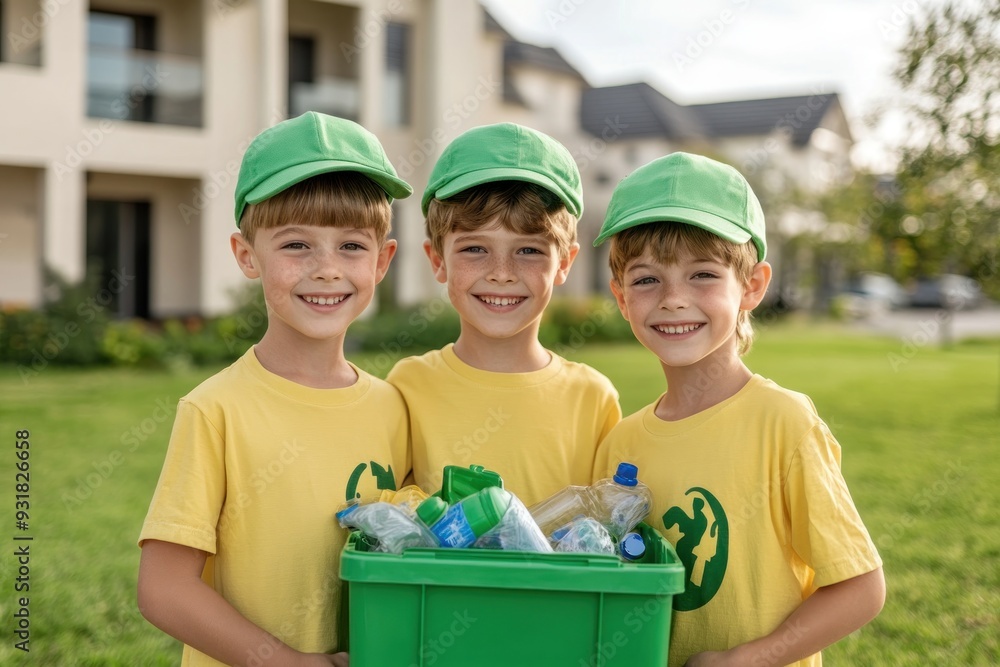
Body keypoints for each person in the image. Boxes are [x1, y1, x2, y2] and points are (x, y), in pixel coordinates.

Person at [136, 112, 413, 667]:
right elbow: (163, 588)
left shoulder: (393, 406)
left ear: (383, 261)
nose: (327, 269)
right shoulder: (216, 409)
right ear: (246, 255)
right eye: (296, 245)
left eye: (352, 247)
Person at [591, 152, 885, 667]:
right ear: (620, 296)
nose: (673, 299)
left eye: (702, 274)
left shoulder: (783, 423)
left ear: (751, 286)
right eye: (645, 279)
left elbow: (860, 588)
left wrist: (747, 659)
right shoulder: (621, 443)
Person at [387, 123, 621, 507]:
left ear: (564, 263)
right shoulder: (408, 387)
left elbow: (606, 528)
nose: (501, 272)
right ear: (437, 260)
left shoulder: (593, 399)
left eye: (528, 251)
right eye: (474, 249)